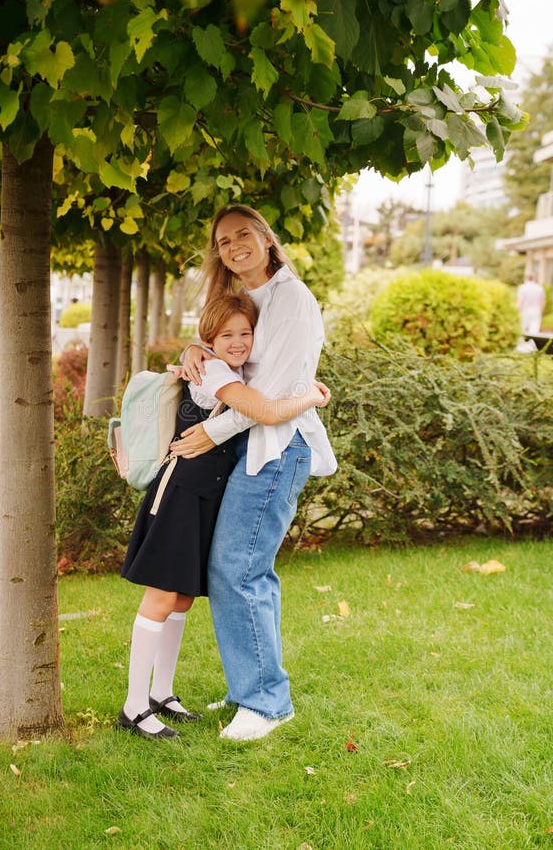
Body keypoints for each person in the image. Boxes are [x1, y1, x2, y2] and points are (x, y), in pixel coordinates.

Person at [117, 293, 330, 741]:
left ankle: (163, 694)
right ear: (209, 340)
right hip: (179, 494)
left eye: (245, 333)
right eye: (226, 335)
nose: (238, 342)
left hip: (203, 497)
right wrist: (310, 394)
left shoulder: (229, 369)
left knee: (182, 599)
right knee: (161, 596)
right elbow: (264, 411)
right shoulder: (213, 371)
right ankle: (134, 706)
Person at [171, 204, 337, 742]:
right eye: (223, 241)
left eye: (244, 234)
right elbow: (229, 352)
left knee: (239, 569)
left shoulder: (289, 300)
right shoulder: (249, 300)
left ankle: (267, 702)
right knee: (238, 570)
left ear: (267, 238)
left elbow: (273, 397)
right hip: (253, 444)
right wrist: (195, 348)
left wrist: (210, 433)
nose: (234, 245)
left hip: (278, 445)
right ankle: (250, 688)